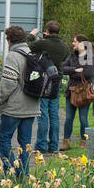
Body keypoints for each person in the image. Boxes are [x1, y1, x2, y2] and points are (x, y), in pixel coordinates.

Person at [0, 24, 40, 176]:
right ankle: (23, 175)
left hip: (15, 107)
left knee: (3, 138)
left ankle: (11, 171)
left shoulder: (13, 56)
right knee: (25, 144)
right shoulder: (31, 53)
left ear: (9, 40)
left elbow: (9, 83)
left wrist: (0, 100)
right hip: (32, 105)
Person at [27, 21, 69, 157]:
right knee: (54, 114)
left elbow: (29, 46)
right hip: (57, 81)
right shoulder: (64, 47)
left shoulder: (43, 43)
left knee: (43, 113)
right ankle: (54, 145)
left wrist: (32, 35)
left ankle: (41, 145)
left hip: (44, 81)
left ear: (47, 31)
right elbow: (64, 58)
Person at [61, 34, 94, 148]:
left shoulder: (91, 57)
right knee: (68, 118)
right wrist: (75, 69)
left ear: (81, 44)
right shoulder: (72, 56)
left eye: (75, 41)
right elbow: (62, 68)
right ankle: (66, 142)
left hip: (84, 92)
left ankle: (84, 142)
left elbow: (88, 73)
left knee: (83, 118)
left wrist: (72, 72)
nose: (73, 43)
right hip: (71, 91)